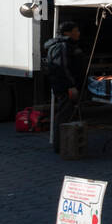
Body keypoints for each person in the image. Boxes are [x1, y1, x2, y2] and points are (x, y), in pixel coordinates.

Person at [44, 21, 86, 154]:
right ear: (67, 33)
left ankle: (68, 144)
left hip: (68, 86)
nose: (78, 33)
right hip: (66, 88)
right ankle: (61, 146)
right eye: (76, 30)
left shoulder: (68, 45)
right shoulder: (62, 46)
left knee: (68, 114)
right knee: (64, 115)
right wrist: (71, 86)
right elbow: (62, 68)